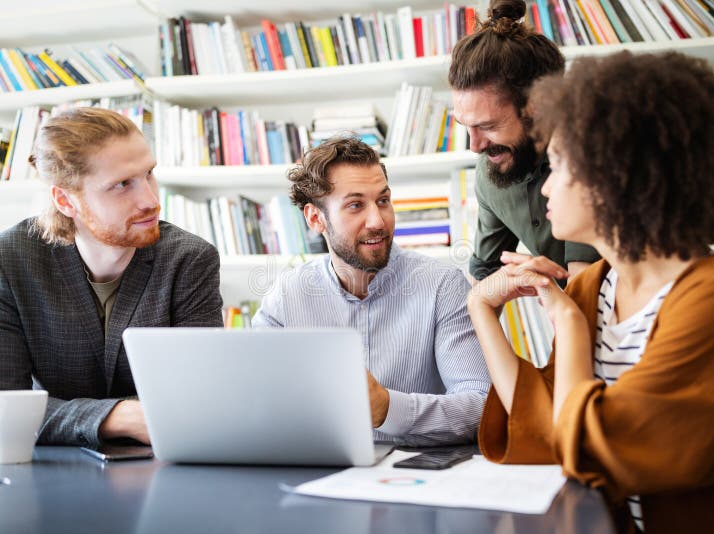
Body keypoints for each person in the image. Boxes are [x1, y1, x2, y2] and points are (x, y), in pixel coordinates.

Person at [468, 51, 714, 532]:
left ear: (614, 174)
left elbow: (599, 448)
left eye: (558, 165)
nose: (544, 189)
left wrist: (567, 324)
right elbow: (544, 425)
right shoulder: (589, 288)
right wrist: (481, 306)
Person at [0, 107, 223, 448]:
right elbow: (7, 409)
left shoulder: (190, 260)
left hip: (161, 471)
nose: (150, 200)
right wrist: (119, 416)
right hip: (44, 474)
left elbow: (199, 403)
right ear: (65, 200)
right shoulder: (11, 260)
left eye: (149, 173)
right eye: (122, 185)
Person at [252, 137, 490, 446]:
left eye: (383, 200)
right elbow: (254, 402)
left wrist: (388, 409)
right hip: (320, 472)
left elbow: (481, 405)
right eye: (355, 205)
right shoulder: (286, 298)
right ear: (315, 218)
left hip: (416, 476)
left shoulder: (442, 286)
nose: (378, 221)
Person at [449, 0, 599, 282]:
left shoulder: (589, 150)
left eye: (488, 126)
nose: (475, 146)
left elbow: (586, 292)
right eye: (466, 126)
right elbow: (484, 277)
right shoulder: (492, 169)